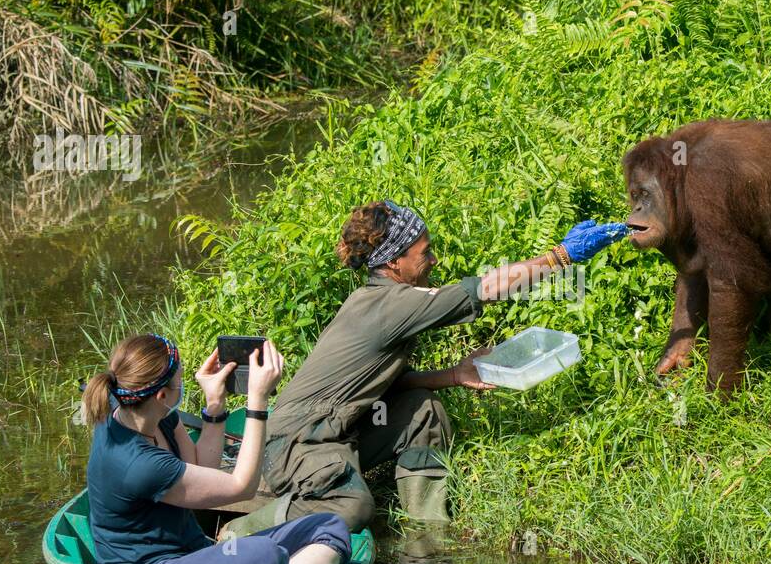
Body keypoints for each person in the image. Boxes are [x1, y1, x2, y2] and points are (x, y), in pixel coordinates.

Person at [221, 201, 628, 540]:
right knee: (355, 506)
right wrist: (560, 257)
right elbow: (486, 288)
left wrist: (452, 375)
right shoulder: (395, 304)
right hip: (297, 443)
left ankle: (426, 533)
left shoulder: (386, 299)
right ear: (396, 261)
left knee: (423, 412)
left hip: (339, 432)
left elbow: (380, 383)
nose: (434, 259)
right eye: (426, 251)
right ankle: (240, 533)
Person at [81, 333, 351, 564]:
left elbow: (201, 468)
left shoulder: (148, 413)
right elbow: (242, 487)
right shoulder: (141, 464)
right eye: (180, 380)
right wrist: (257, 401)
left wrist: (215, 404)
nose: (184, 384)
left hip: (191, 553)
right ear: (161, 396)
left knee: (329, 526)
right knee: (265, 555)